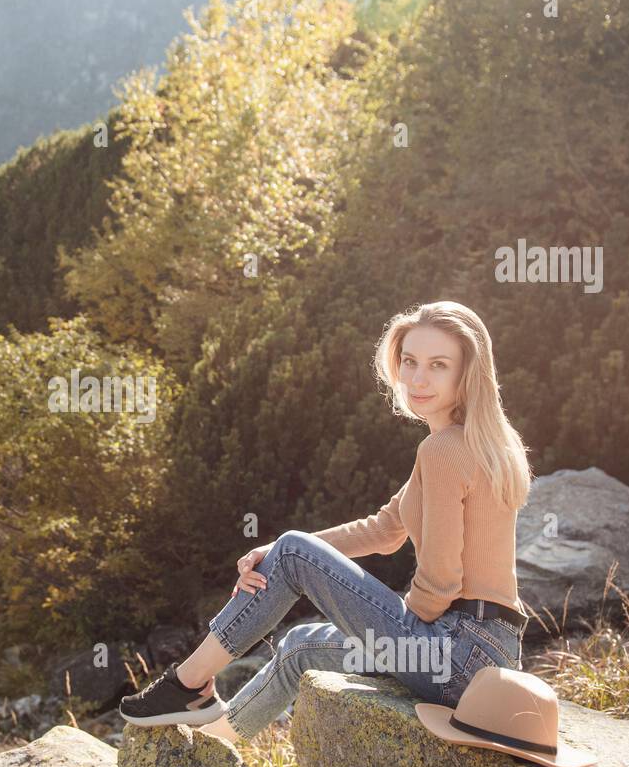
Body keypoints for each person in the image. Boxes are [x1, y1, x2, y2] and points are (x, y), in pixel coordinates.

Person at [119, 300, 532, 743]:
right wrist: (275, 554)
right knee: (299, 645)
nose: (416, 378)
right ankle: (214, 747)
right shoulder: (474, 443)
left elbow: (443, 580)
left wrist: (399, 631)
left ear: (466, 373)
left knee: (296, 549)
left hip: (456, 651)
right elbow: (385, 529)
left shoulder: (444, 449)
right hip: (488, 657)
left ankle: (187, 684)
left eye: (437, 365)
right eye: (409, 361)